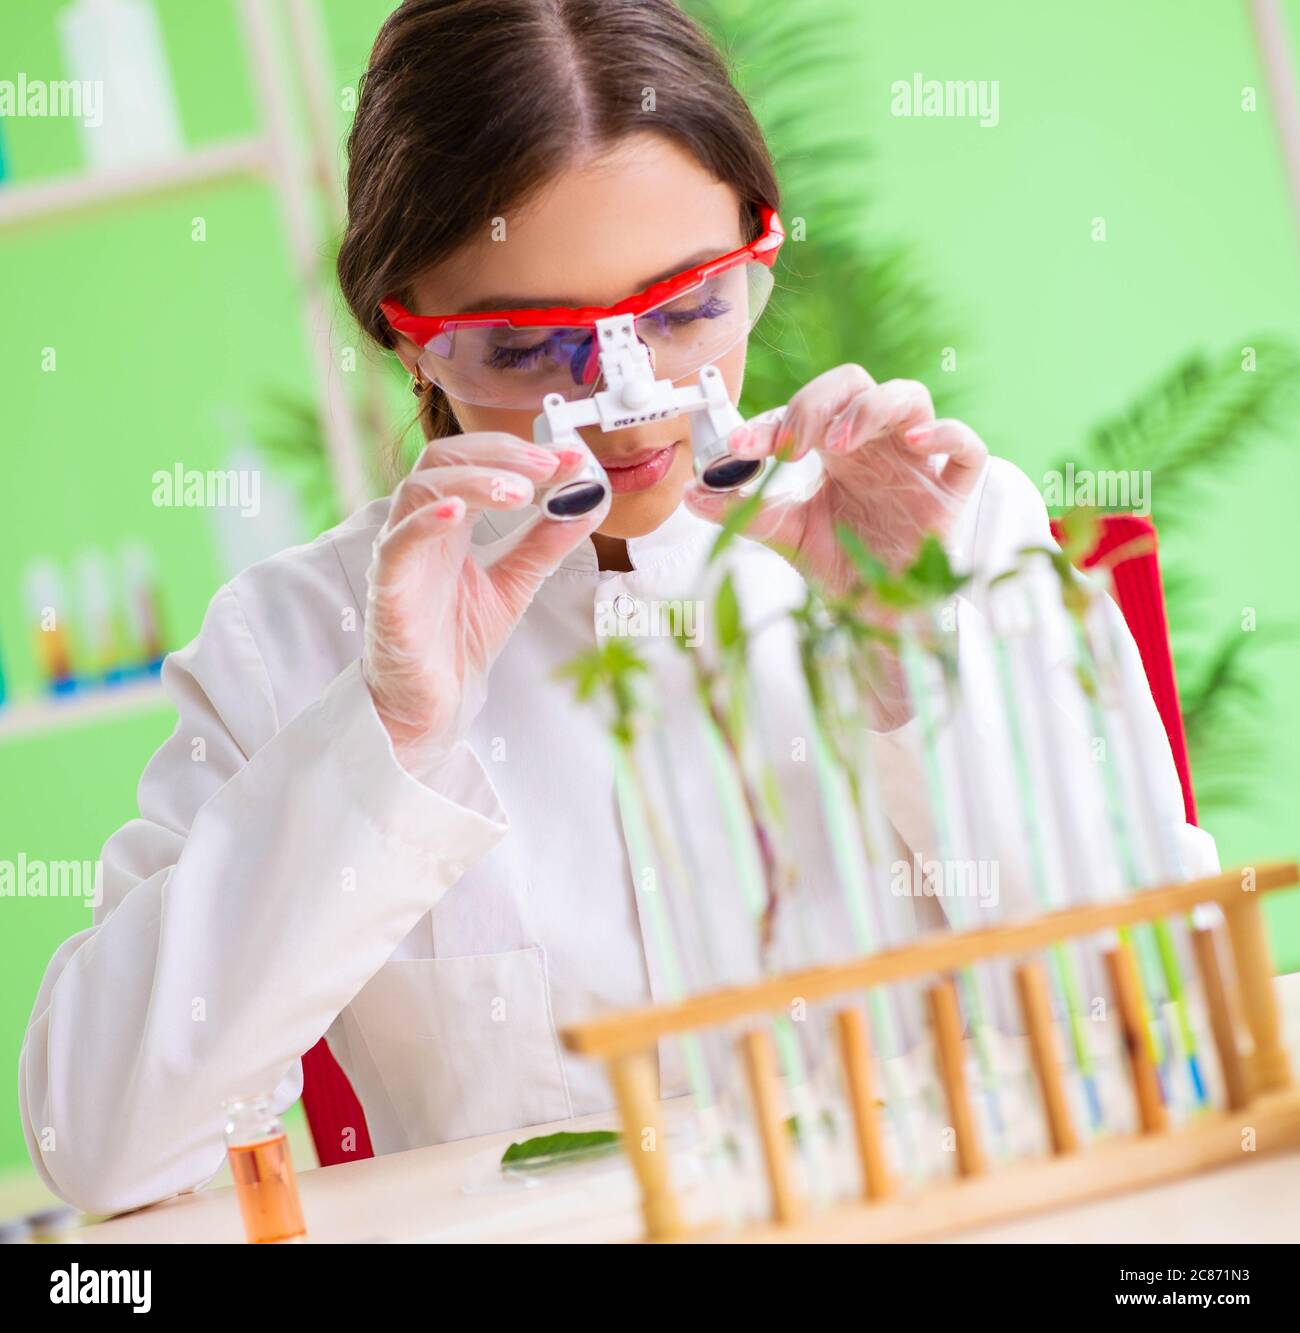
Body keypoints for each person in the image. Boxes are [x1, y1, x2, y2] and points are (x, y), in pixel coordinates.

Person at [19, 0, 1215, 1215]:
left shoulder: (941, 523)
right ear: (408, 339)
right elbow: (104, 1146)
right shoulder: (293, 644)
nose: (630, 408)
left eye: (688, 310)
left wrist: (916, 643)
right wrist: (386, 741)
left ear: (760, 250)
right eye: (528, 348)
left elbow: (1161, 1008)